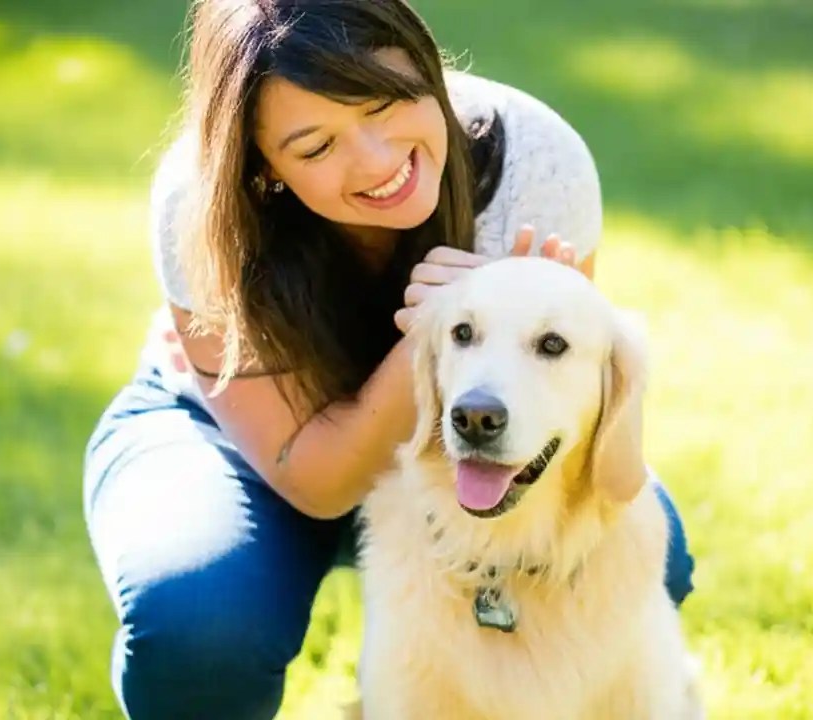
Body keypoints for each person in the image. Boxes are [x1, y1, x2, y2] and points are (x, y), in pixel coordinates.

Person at [82, 0, 695, 717]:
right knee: (200, 622)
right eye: (316, 147)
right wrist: (431, 329)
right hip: (244, 445)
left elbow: (555, 408)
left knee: (650, 555)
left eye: (383, 103)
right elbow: (320, 484)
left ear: (426, 67)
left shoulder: (537, 161)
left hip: (452, 447)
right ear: (263, 169)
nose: (377, 162)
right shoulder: (200, 202)